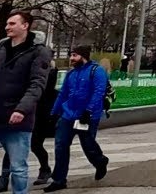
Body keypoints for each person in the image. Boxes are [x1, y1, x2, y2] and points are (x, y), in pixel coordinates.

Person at [0, 12, 53, 194]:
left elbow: (37, 84)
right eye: (7, 23)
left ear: (25, 25)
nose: (7, 27)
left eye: (12, 24)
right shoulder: (1, 48)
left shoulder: (39, 52)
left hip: (17, 121)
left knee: (18, 169)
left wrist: (21, 110)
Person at [43, 45, 109, 192]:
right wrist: (54, 112)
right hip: (68, 115)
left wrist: (88, 110)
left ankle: (100, 161)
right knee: (60, 146)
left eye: (74, 55)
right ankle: (59, 179)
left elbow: (99, 92)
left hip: (87, 116)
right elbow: (63, 93)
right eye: (71, 55)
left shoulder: (96, 71)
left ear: (83, 56)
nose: (71, 58)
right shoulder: (71, 74)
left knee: (88, 145)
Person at [0, 64, 57, 193]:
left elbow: (44, 91)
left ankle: (45, 169)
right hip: (23, 114)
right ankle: (3, 179)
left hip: (40, 117)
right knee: (11, 148)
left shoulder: (47, 75)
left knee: (36, 145)